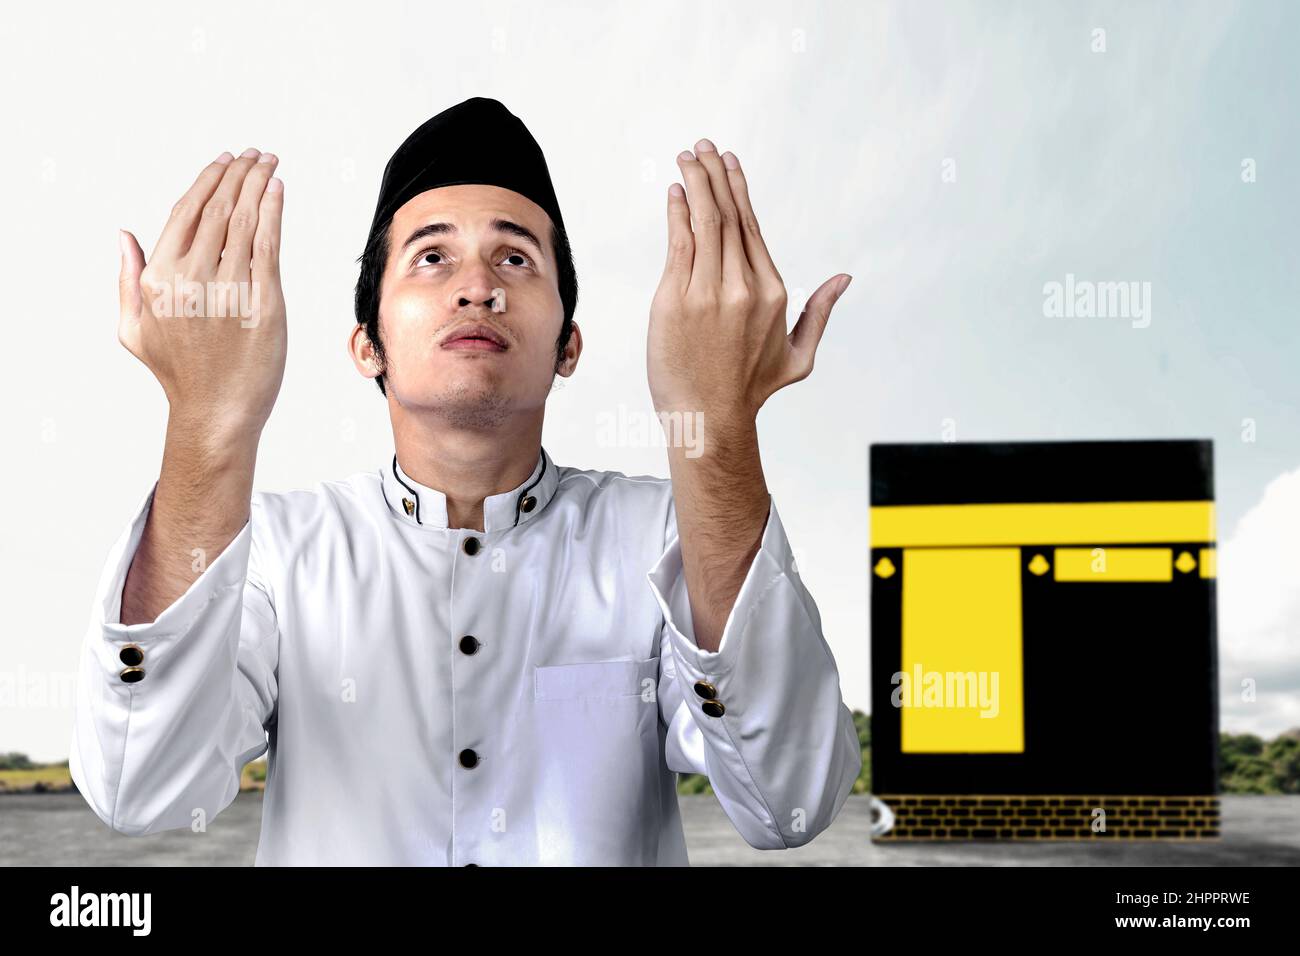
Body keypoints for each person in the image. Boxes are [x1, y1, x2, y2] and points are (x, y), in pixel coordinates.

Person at [69, 97, 860, 865]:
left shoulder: (660, 536)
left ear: (568, 344)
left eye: (515, 257)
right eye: (432, 256)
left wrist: (714, 426)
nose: (477, 285)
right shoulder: (276, 554)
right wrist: (209, 420)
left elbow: (786, 797)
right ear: (367, 345)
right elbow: (139, 786)